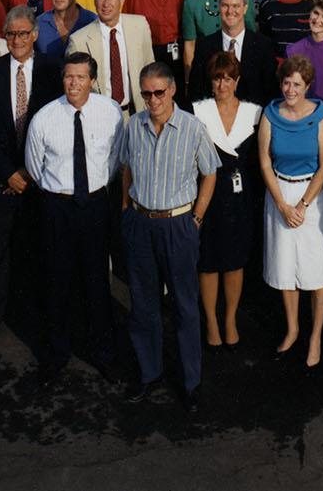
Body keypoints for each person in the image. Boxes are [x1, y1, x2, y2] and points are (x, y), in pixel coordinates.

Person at [116, 60, 219, 412]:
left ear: (173, 90)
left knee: (184, 307)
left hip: (179, 226)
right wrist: (127, 209)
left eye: (159, 92)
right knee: (143, 304)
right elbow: (125, 167)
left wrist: (197, 217)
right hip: (141, 223)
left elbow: (210, 173)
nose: (153, 100)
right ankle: (149, 373)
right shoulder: (133, 126)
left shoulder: (192, 128)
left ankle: (190, 383)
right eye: (146, 94)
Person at [22, 50, 124, 377]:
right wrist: (59, 193)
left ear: (92, 81)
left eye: (81, 77)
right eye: (69, 76)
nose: (74, 83)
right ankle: (56, 354)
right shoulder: (45, 117)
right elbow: (34, 166)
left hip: (95, 204)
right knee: (56, 281)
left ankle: (104, 353)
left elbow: (116, 158)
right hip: (57, 207)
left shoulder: (110, 112)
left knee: (97, 282)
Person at [0, 6, 61, 352]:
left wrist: (28, 172)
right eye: (11, 34)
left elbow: (57, 126)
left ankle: (36, 324)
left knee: (40, 253)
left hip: (40, 181)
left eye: (24, 34)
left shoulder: (53, 71)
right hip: (1, 180)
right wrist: (9, 172)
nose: (18, 40)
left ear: (35, 35)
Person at [259, 55, 323, 365]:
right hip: (279, 193)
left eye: (297, 85)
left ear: (308, 87)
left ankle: (315, 336)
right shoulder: (270, 113)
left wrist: (302, 205)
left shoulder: (320, 114)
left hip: (312, 197)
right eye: (287, 83)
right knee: (285, 267)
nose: (291, 89)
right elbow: (264, 160)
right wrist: (281, 203)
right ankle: (292, 330)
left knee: (316, 272)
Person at [195, 50, 262, 347]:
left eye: (228, 78)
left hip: (241, 197)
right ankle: (211, 320)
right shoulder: (198, 112)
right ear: (210, 82)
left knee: (235, 261)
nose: (222, 85)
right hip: (208, 195)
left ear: (237, 81)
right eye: (217, 79)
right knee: (208, 261)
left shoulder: (253, 113)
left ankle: (230, 318)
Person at [70, 0, 156, 113]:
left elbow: (150, 68)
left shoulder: (140, 26)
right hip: (100, 116)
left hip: (137, 113)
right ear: (94, 0)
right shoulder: (79, 40)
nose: (106, 4)